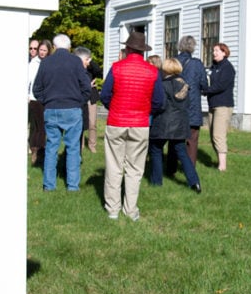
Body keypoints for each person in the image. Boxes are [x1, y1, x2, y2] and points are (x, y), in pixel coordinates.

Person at [100, 31, 165, 221]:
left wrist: (115, 107)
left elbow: (105, 94)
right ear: (143, 51)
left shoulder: (116, 67)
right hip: (140, 123)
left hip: (117, 121)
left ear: (128, 49)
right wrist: (146, 111)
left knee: (114, 165)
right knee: (135, 168)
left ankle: (113, 209)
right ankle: (130, 210)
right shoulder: (152, 71)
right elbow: (159, 101)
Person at [32, 34, 92, 192]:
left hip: (52, 109)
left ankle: (49, 185)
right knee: (73, 148)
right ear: (70, 47)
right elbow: (86, 87)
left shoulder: (46, 63)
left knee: (52, 148)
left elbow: (36, 89)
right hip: (72, 108)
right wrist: (78, 101)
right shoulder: (76, 62)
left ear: (54, 46)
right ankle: (73, 186)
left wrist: (47, 101)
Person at [148, 57, 201, 193]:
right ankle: (194, 181)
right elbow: (187, 104)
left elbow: (160, 104)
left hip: (163, 122)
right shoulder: (185, 84)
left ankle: (156, 182)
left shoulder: (162, 84)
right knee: (182, 153)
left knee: (156, 150)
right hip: (180, 123)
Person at [173, 35, 209, 166]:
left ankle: (171, 167)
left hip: (175, 106)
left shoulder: (173, 62)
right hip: (192, 105)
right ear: (192, 47)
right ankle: (190, 169)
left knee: (174, 139)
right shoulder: (197, 64)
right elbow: (204, 84)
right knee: (192, 140)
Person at [203, 42, 235, 172]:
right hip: (213, 105)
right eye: (213, 50)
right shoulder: (213, 67)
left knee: (218, 135)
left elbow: (221, 85)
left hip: (223, 105)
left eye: (217, 51)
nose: (214, 53)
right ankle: (219, 162)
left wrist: (206, 90)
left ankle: (222, 166)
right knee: (212, 135)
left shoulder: (227, 68)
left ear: (224, 52)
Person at [27, 39, 51, 164]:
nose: (41, 52)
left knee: (42, 126)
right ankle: (36, 150)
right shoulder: (34, 63)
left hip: (47, 99)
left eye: (44, 50)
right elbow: (28, 80)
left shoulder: (50, 63)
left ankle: (38, 150)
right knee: (38, 127)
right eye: (40, 50)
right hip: (34, 98)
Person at [74, 46, 102, 153]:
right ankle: (79, 145)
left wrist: (90, 61)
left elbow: (98, 71)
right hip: (80, 96)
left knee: (92, 122)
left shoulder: (90, 67)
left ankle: (92, 144)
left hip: (91, 97)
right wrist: (87, 85)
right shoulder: (75, 68)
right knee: (80, 122)